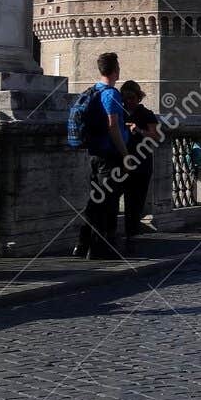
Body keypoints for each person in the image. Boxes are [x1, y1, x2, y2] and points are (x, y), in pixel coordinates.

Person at [74, 51, 128, 260]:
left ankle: (82, 244)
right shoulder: (111, 94)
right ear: (116, 70)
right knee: (108, 201)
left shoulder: (93, 90)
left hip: (94, 154)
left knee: (96, 200)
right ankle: (101, 247)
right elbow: (113, 126)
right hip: (109, 155)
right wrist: (125, 155)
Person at [119, 80, 161, 242]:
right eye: (125, 98)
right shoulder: (119, 112)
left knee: (136, 200)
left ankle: (132, 233)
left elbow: (156, 136)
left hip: (141, 163)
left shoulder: (146, 114)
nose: (128, 101)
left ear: (138, 97)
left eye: (132, 98)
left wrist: (138, 130)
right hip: (121, 161)